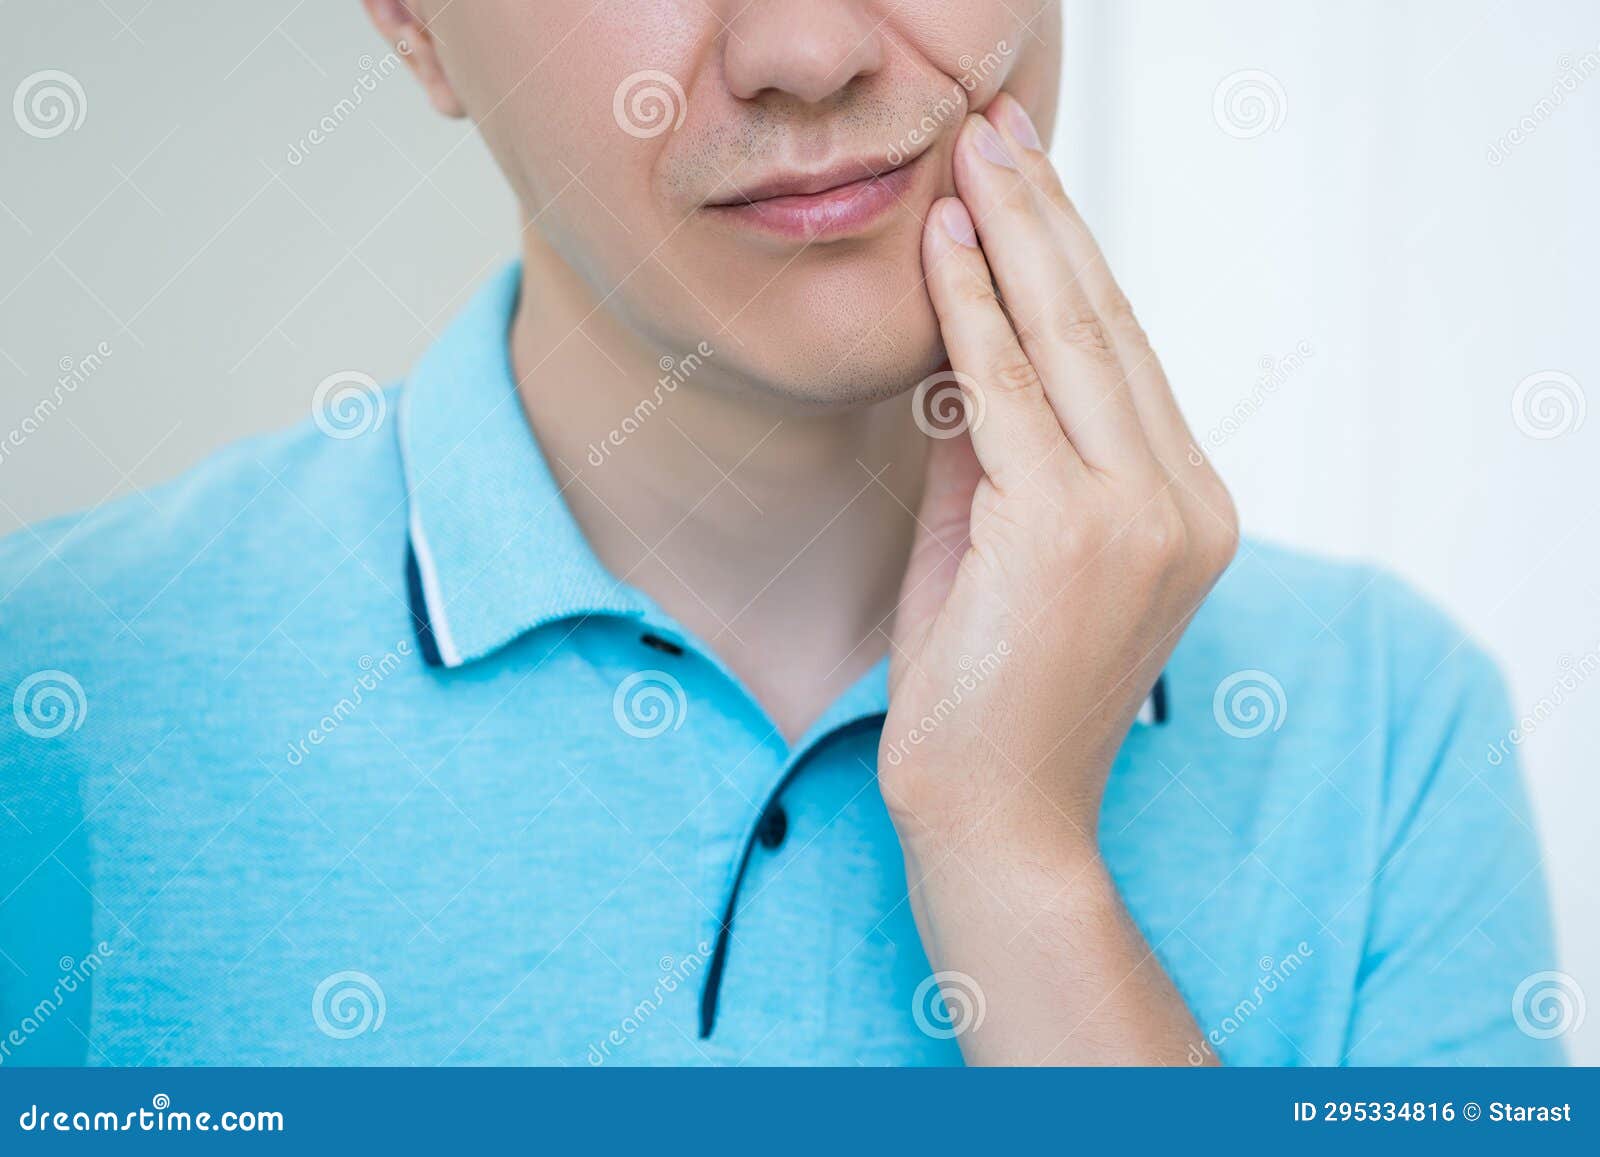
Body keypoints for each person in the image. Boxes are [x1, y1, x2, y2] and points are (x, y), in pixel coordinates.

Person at [0, 1, 1560, 1066]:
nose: (806, 50)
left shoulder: (1387, 733)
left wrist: (1018, 867)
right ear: (409, 16)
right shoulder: (54, 696)